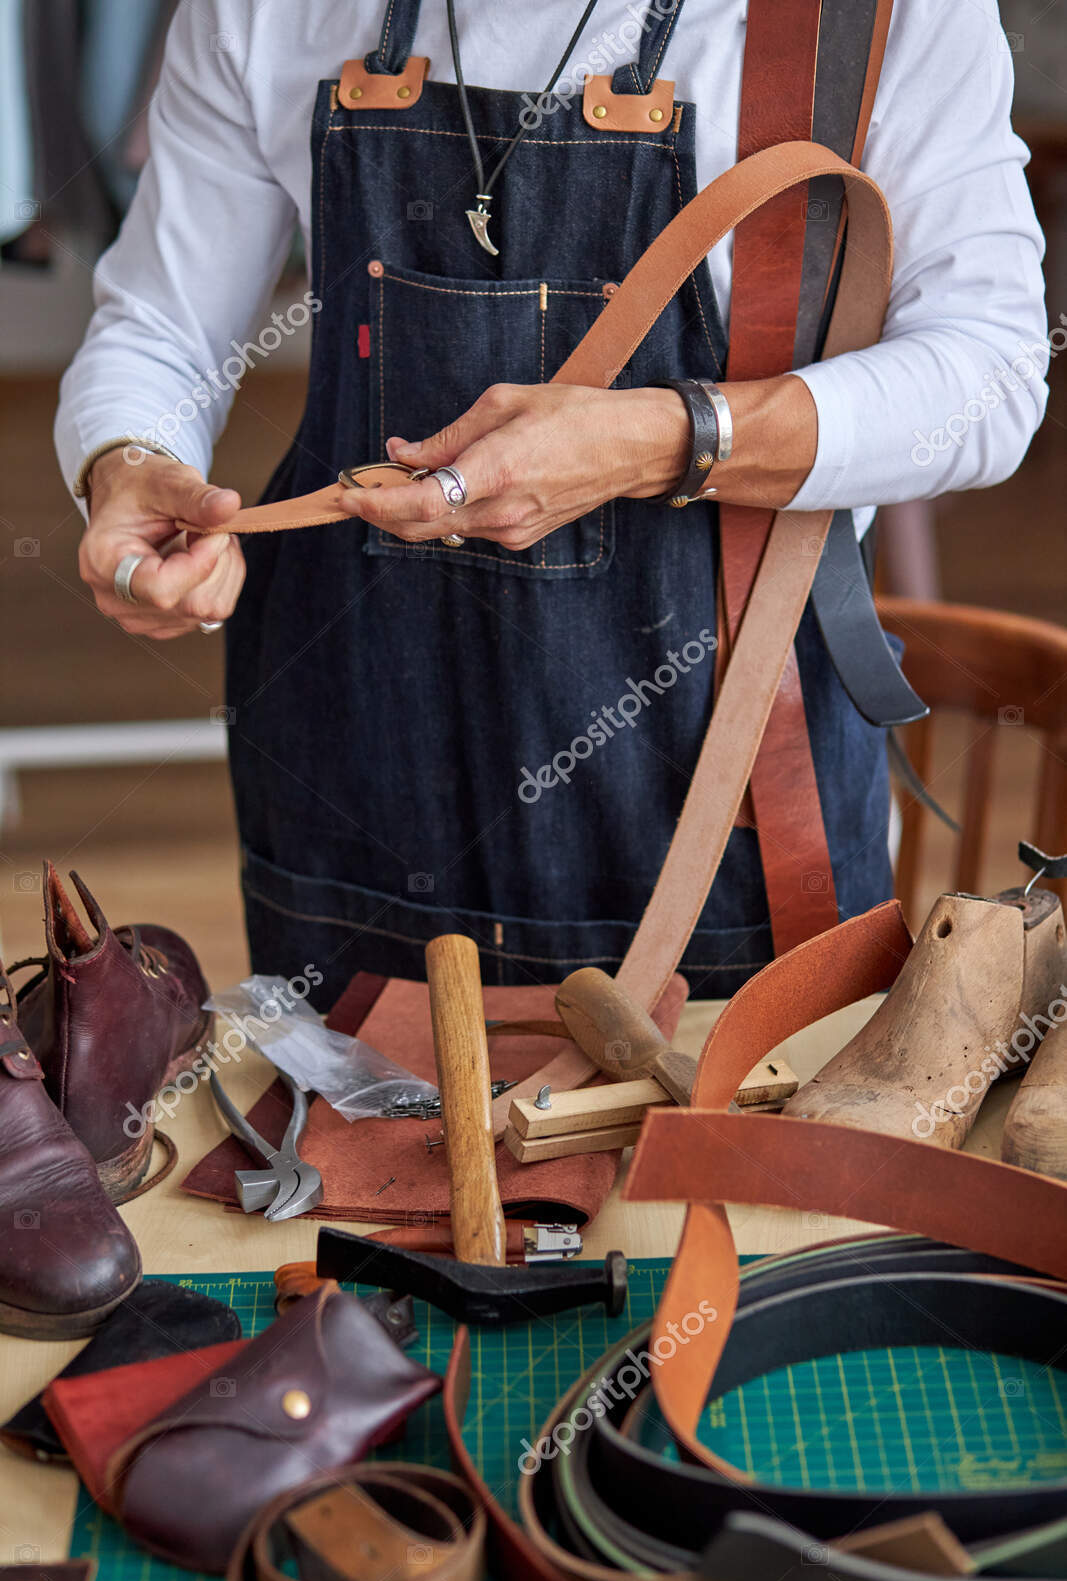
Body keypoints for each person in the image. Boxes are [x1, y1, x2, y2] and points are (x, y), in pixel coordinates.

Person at [57, 1, 1048, 1008]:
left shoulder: (871, 16)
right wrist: (126, 464)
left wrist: (656, 440)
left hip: (719, 804)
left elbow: (992, 376)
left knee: (728, 1164)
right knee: (358, 1156)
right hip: (353, 782)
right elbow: (162, 330)